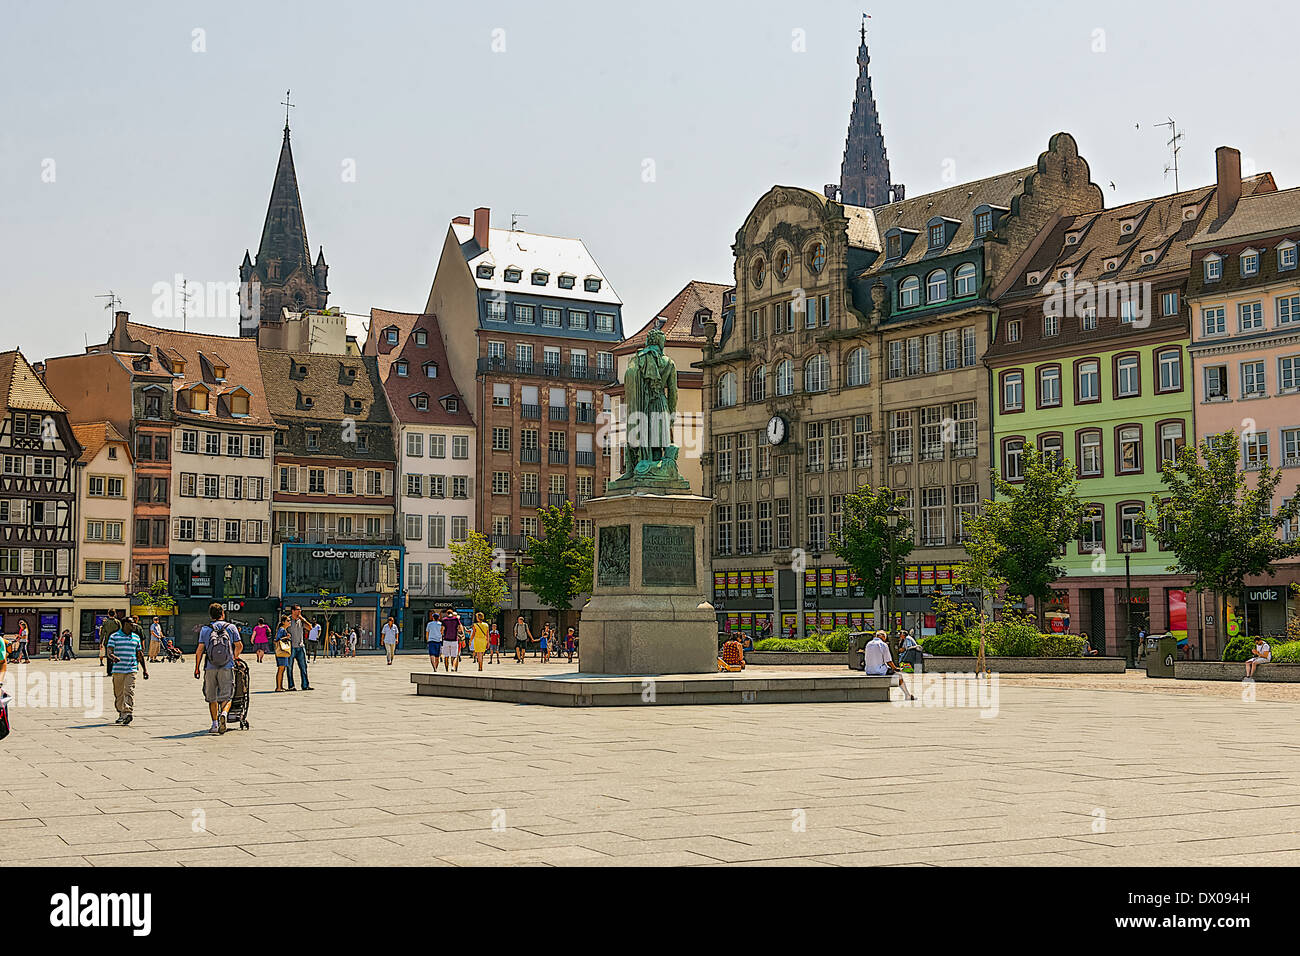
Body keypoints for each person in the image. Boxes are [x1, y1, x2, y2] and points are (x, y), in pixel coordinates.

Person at [195, 602, 243, 735]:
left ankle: (214, 724)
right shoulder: (231, 627)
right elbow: (239, 645)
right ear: (223, 614)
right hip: (227, 666)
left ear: (211, 615)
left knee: (212, 697)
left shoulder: (205, 629)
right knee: (227, 695)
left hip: (210, 667)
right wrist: (234, 658)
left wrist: (197, 668)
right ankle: (224, 713)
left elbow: (199, 650)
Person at [106, 616, 149, 725]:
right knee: (119, 693)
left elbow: (139, 654)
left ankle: (128, 712)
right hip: (118, 670)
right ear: (125, 624)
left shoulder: (136, 637)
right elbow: (109, 651)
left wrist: (145, 669)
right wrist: (113, 657)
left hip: (131, 669)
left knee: (129, 691)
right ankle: (121, 713)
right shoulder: (114, 636)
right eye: (131, 623)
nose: (134, 625)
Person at [864, 629, 913, 700]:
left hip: (868, 671)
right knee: (899, 676)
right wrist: (895, 668)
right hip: (879, 671)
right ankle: (907, 695)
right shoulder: (883, 645)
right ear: (883, 636)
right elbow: (889, 661)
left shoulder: (868, 644)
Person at [284, 606, 313, 691]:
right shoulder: (288, 620)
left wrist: (303, 619)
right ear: (293, 611)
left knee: (304, 667)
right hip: (291, 647)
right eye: (297, 610)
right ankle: (291, 686)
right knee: (289, 667)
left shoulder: (301, 620)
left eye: (300, 610)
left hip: (300, 646)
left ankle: (305, 685)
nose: (299, 611)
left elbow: (310, 627)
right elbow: (281, 629)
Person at [273, 616, 291, 691]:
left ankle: (280, 686)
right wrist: (287, 637)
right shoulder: (282, 629)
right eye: (288, 620)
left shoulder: (283, 629)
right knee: (281, 669)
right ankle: (278, 687)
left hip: (283, 652)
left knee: (282, 669)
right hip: (282, 651)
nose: (289, 622)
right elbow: (277, 640)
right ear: (283, 622)